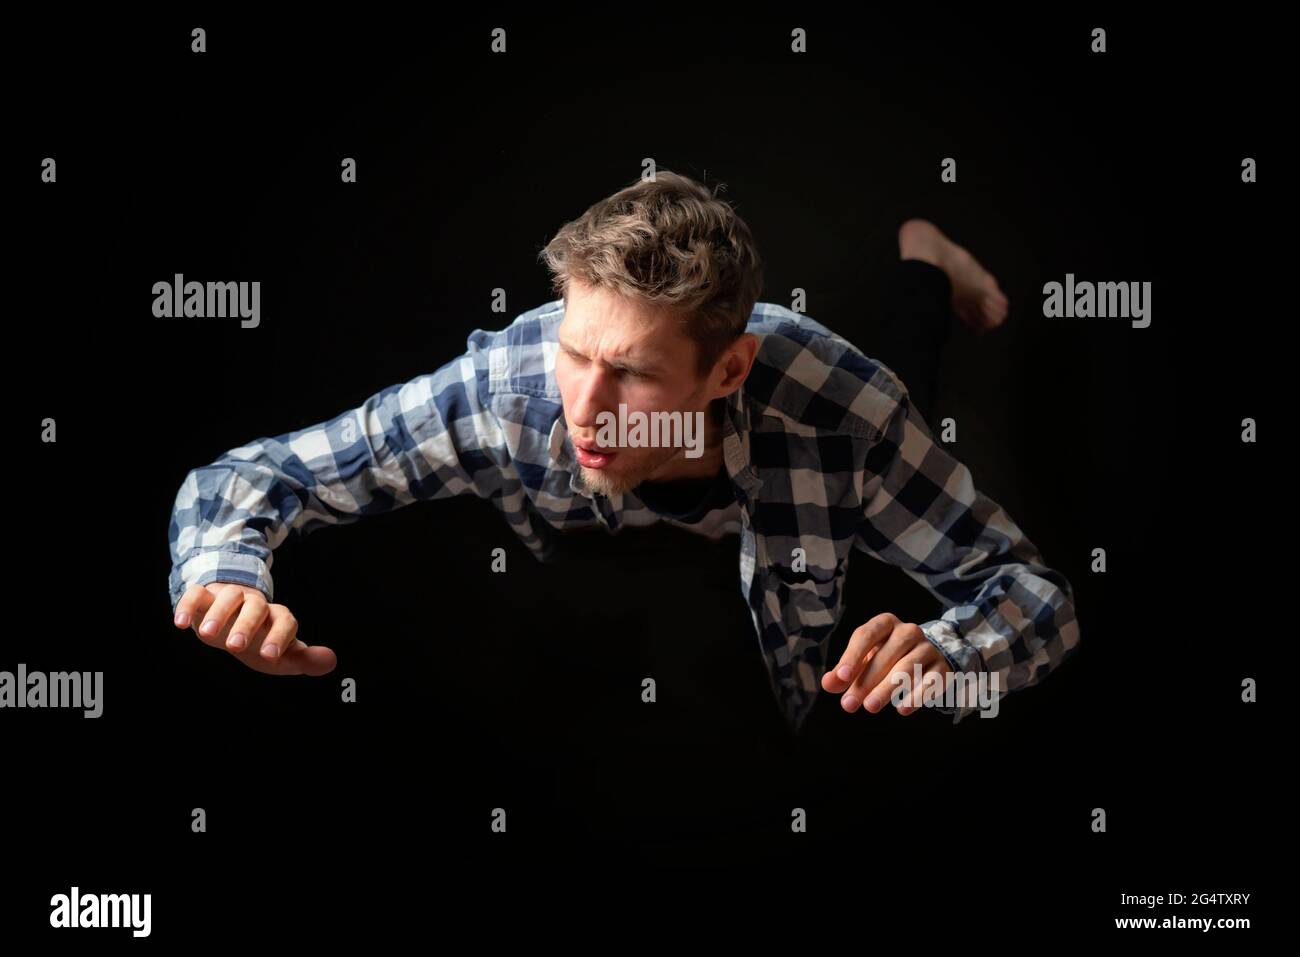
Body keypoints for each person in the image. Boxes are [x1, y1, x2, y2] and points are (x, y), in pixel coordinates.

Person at [166, 171, 1079, 735]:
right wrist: (231, 579)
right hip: (618, 636)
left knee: (908, 343)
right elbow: (251, 477)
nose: (587, 408)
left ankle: (924, 257)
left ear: (727, 368)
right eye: (575, 355)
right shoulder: (508, 388)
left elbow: (1037, 594)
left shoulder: (844, 411)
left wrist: (956, 653)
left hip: (819, 528)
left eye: (631, 374)